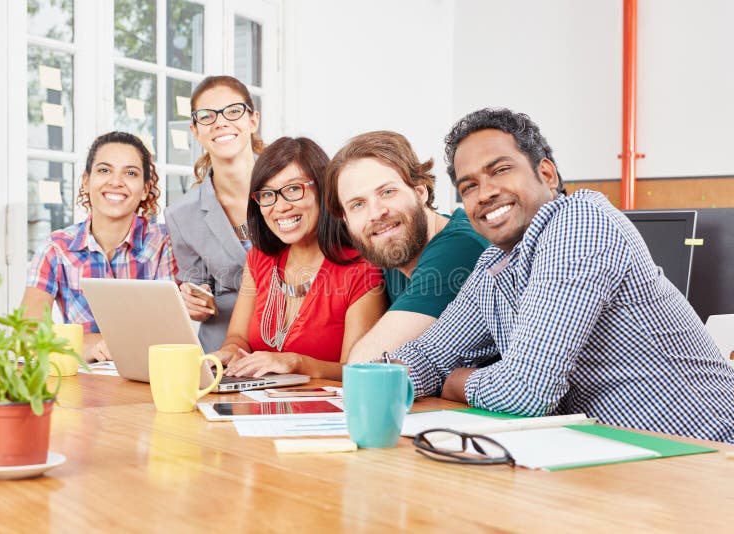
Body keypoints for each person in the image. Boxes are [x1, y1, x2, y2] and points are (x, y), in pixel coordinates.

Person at [390, 108, 734, 442]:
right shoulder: (496, 263)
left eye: (501, 170)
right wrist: (382, 377)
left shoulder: (580, 222)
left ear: (547, 174)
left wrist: (455, 382)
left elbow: (526, 390)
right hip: (620, 459)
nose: (485, 193)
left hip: (705, 456)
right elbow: (429, 355)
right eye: (469, 187)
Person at [215, 137, 386, 380]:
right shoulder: (259, 259)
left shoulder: (361, 269)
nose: (280, 206)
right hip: (258, 407)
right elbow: (238, 337)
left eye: (294, 189)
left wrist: (297, 363)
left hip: (326, 412)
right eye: (267, 194)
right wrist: (232, 350)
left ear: (324, 190)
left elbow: (358, 371)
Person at [323, 131, 489, 362]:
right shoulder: (392, 250)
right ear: (346, 221)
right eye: (358, 204)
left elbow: (364, 364)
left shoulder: (460, 248)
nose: (376, 213)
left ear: (420, 192)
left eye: (387, 192)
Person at [23, 131, 178, 361]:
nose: (116, 182)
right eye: (104, 170)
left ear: (145, 189)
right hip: (83, 382)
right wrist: (87, 344)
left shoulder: (164, 243)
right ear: (86, 182)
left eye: (131, 173)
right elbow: (27, 333)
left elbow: (169, 332)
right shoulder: (57, 247)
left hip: (147, 380)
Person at [164, 75, 263, 352]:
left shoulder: (289, 187)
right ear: (195, 130)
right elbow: (199, 290)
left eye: (233, 111)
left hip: (294, 345)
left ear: (252, 120)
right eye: (207, 116)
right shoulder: (181, 215)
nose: (221, 122)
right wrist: (195, 302)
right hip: (223, 353)